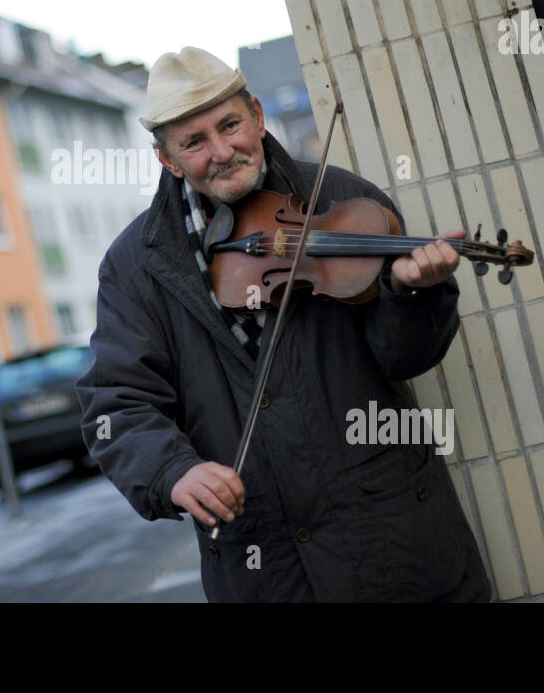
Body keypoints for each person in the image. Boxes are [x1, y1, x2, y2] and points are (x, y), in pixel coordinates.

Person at [76, 46, 491, 602]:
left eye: (230, 125)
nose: (222, 151)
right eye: (194, 142)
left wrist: (413, 296)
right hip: (268, 569)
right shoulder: (135, 266)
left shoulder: (346, 202)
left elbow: (405, 358)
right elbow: (116, 404)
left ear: (258, 115)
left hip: (394, 541)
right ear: (168, 160)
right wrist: (173, 471)